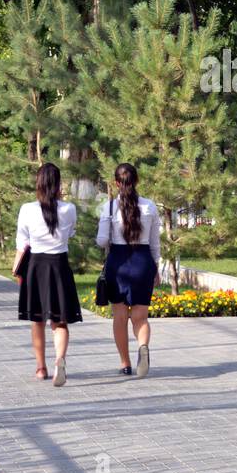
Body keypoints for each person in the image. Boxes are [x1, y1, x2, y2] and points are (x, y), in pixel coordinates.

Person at [12, 162, 80, 386]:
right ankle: (59, 360)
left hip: (35, 266)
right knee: (60, 322)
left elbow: (22, 243)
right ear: (59, 184)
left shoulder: (27, 209)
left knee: (37, 320)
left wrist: (16, 270)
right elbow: (69, 233)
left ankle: (41, 368)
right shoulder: (69, 209)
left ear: (38, 183)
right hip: (59, 266)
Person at [96, 162, 161, 378]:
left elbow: (102, 240)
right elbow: (154, 243)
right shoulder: (150, 206)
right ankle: (143, 345)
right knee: (141, 317)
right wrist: (156, 268)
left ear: (116, 183)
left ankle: (125, 363)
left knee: (120, 317)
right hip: (143, 261)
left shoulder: (110, 207)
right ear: (137, 181)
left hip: (118, 262)